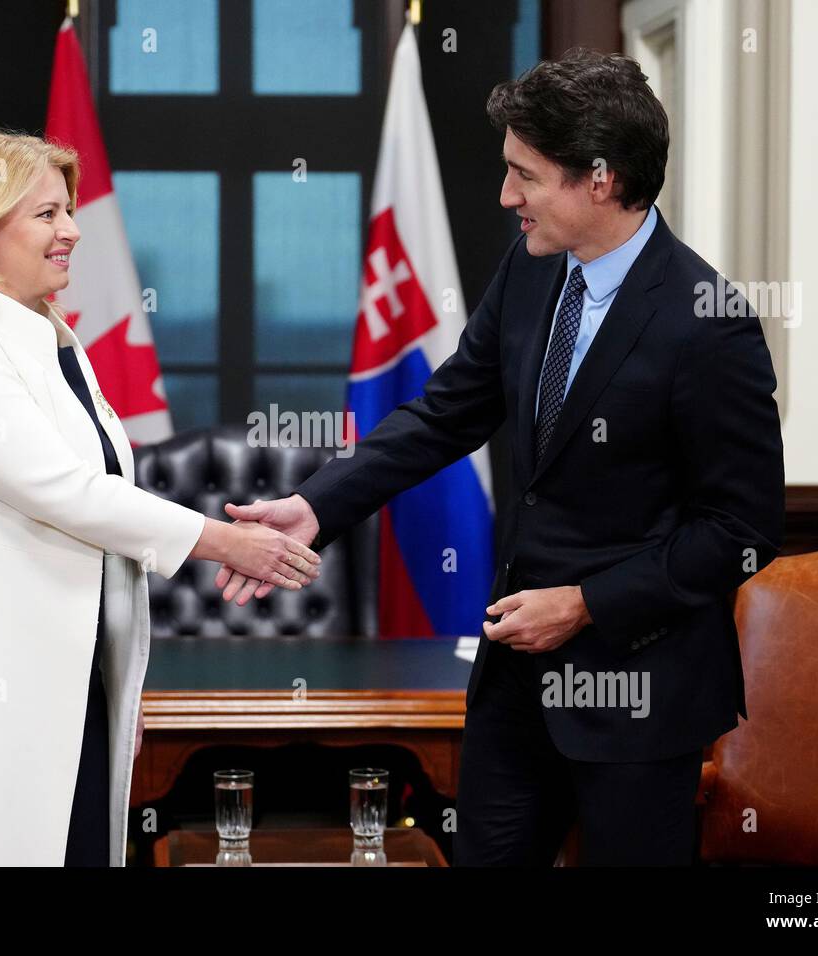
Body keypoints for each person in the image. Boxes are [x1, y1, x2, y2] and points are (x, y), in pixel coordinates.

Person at [215, 50, 785, 865]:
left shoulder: (710, 323)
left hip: (638, 697)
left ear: (599, 178)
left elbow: (744, 528)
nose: (505, 195)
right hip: (513, 688)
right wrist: (317, 507)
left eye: (525, 174)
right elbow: (448, 411)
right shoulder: (532, 267)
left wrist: (586, 602)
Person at [0, 131, 321, 866]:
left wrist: (114, 688)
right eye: (46, 215)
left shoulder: (55, 341)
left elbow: (96, 511)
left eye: (68, 211)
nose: (72, 229)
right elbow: (67, 492)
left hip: (63, 680)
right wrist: (225, 541)